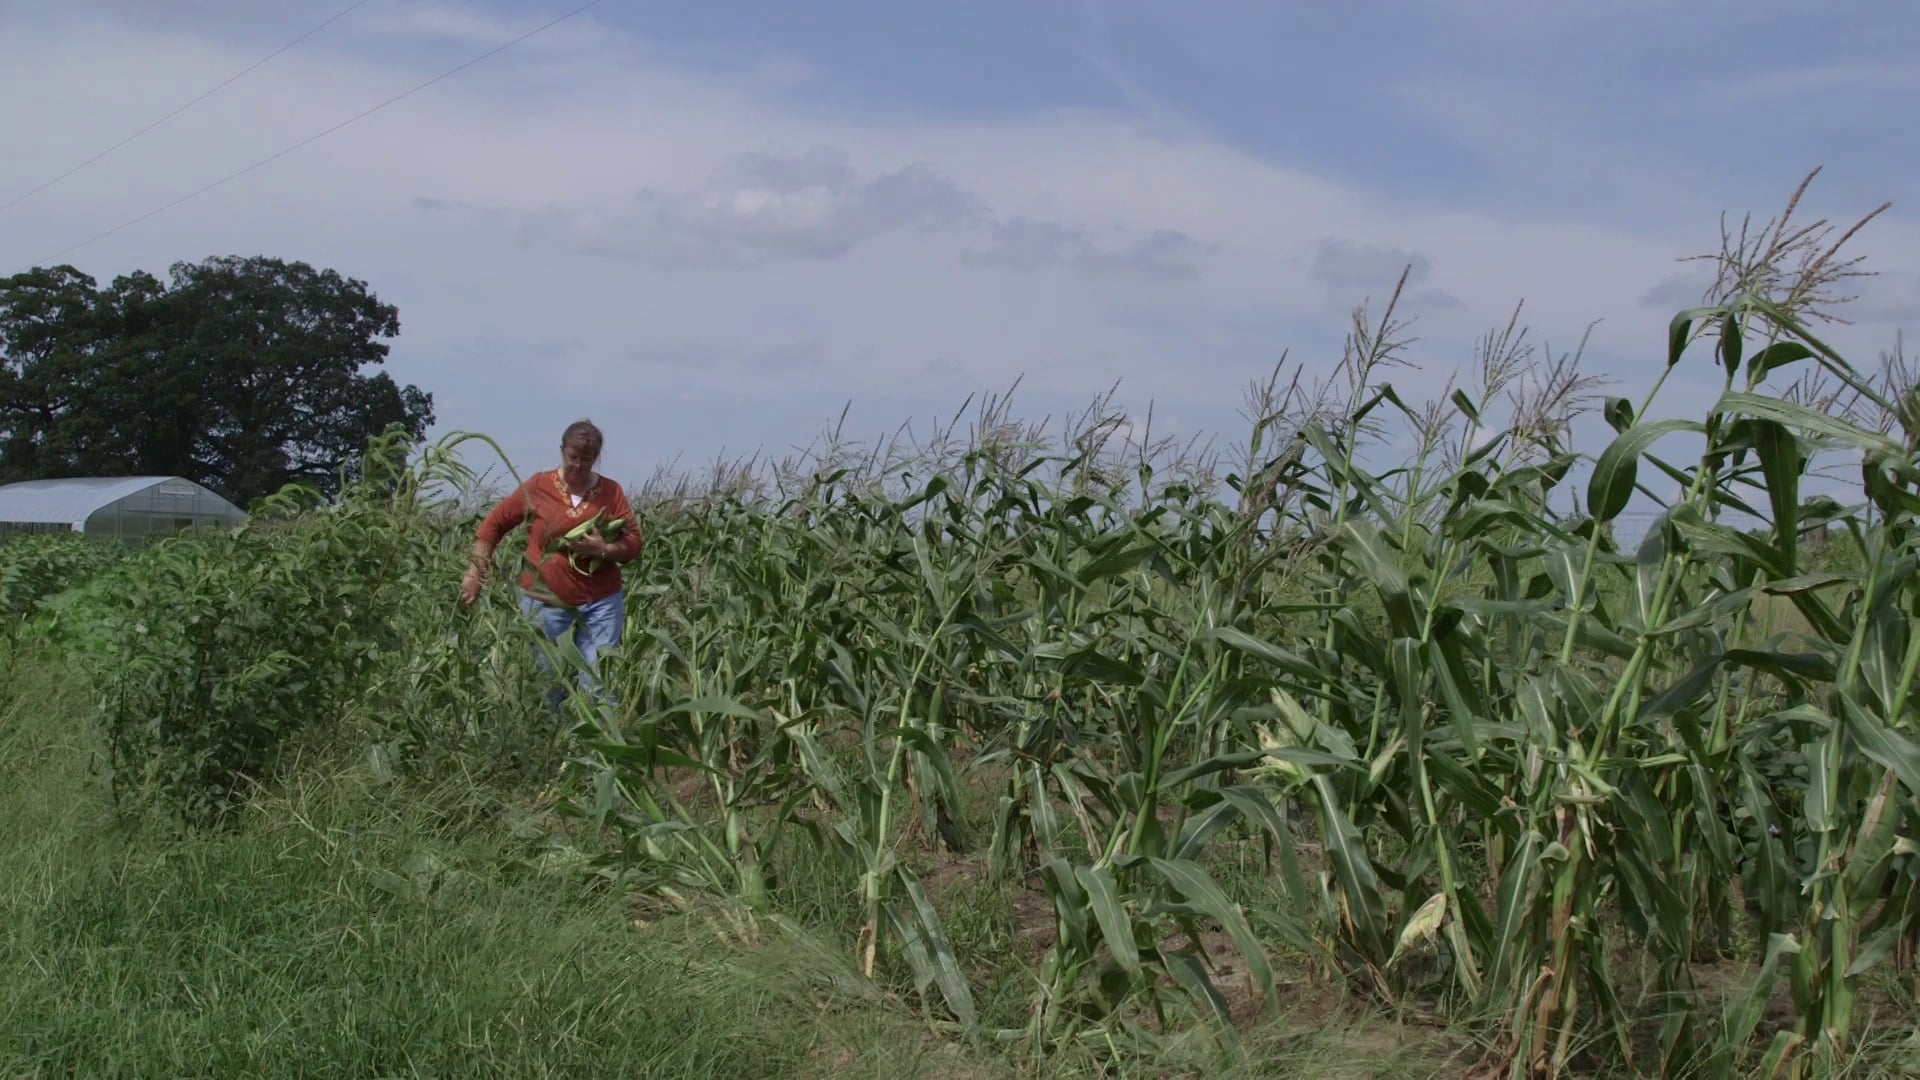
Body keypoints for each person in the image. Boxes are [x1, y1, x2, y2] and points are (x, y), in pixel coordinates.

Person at [460, 419, 642, 711]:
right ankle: (552, 737)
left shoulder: (611, 492)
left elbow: (633, 543)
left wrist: (603, 549)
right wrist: (475, 573)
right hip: (545, 601)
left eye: (586, 459)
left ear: (597, 458)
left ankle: (602, 736)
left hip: (601, 603)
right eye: (573, 457)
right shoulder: (538, 487)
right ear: (562, 450)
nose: (578, 466)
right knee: (549, 682)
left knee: (599, 682)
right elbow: (492, 526)